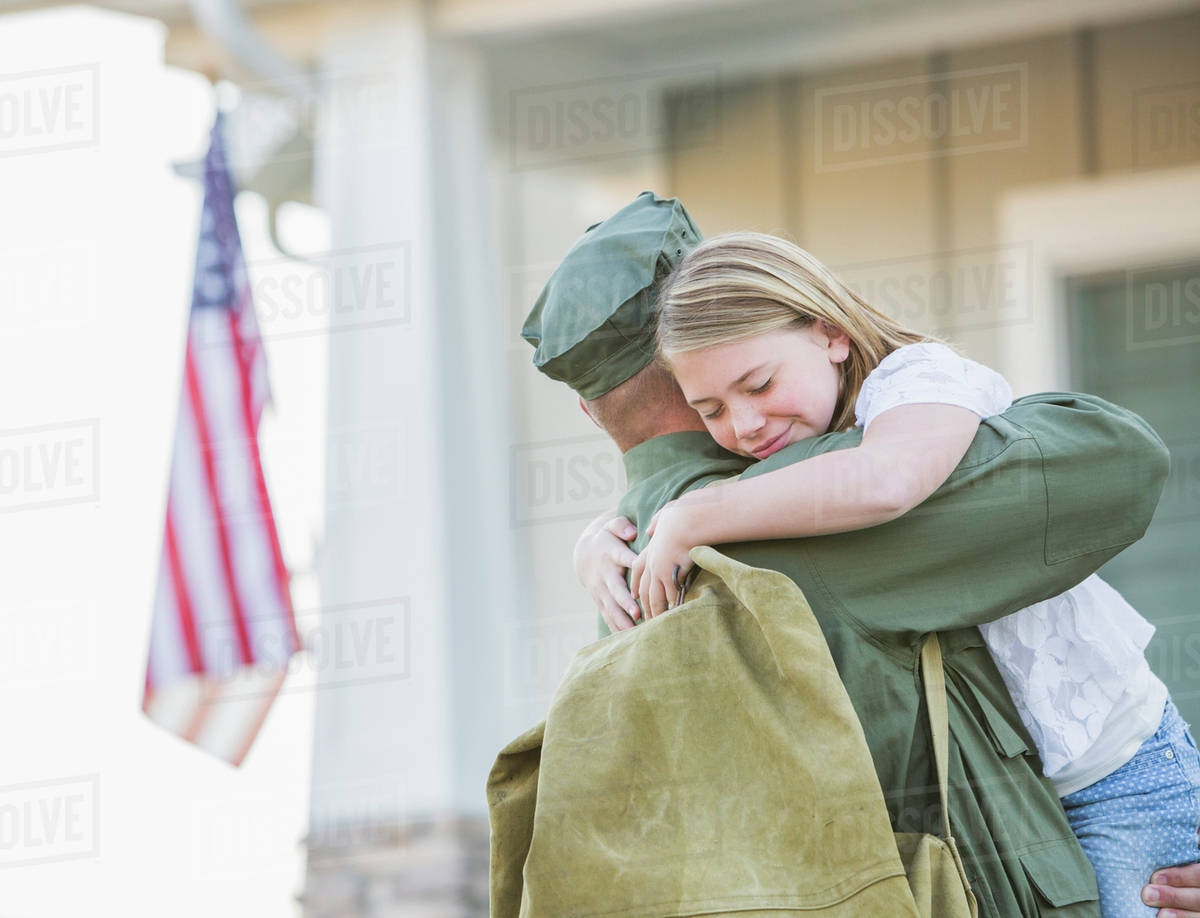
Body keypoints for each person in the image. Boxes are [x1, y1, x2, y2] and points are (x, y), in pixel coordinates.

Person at [521, 191, 1183, 916]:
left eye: (759, 382)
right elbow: (1121, 457)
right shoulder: (780, 512)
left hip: (1125, 776)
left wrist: (670, 516)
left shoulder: (643, 561)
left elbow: (891, 475)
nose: (744, 423)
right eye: (713, 406)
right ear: (679, 364)